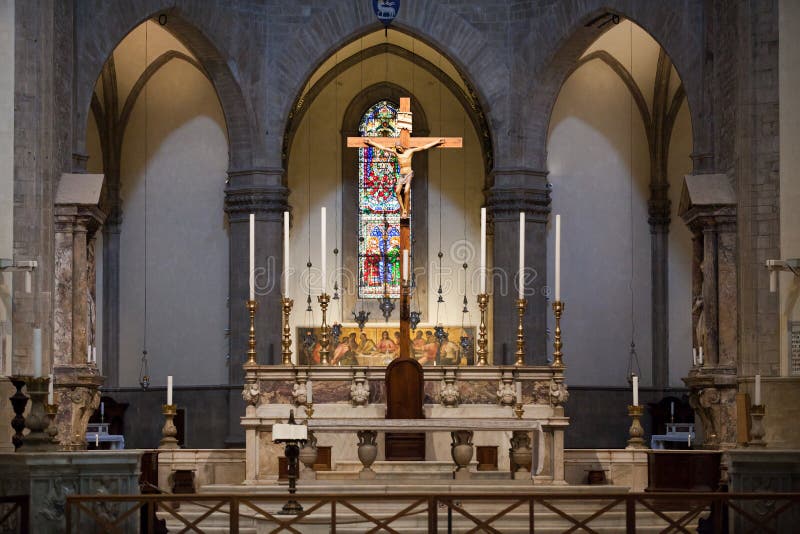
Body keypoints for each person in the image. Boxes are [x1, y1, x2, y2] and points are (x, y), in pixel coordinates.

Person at [365, 137, 444, 217]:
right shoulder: (396, 153)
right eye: (397, 148)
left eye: (399, 147)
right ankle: (403, 209)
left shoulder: (410, 151)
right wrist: (371, 142)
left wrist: (436, 142)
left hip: (408, 173)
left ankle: (406, 210)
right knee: (397, 192)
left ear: (402, 146)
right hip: (401, 175)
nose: (398, 149)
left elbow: (423, 147)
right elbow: (383, 148)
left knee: (406, 191)